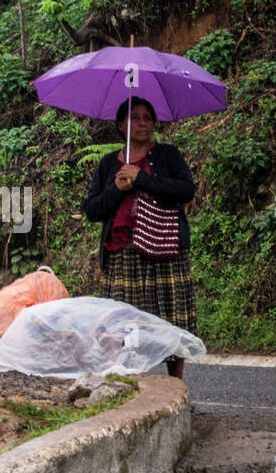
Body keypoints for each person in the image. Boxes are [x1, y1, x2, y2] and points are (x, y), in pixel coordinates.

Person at [81, 96, 197, 379]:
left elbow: (185, 190)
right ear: (121, 125)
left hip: (164, 247)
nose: (143, 123)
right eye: (136, 118)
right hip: (124, 251)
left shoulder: (168, 155)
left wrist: (141, 178)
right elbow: (92, 209)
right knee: (122, 324)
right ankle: (123, 384)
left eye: (147, 118)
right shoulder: (109, 164)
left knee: (171, 318)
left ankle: (176, 385)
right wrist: (117, 189)